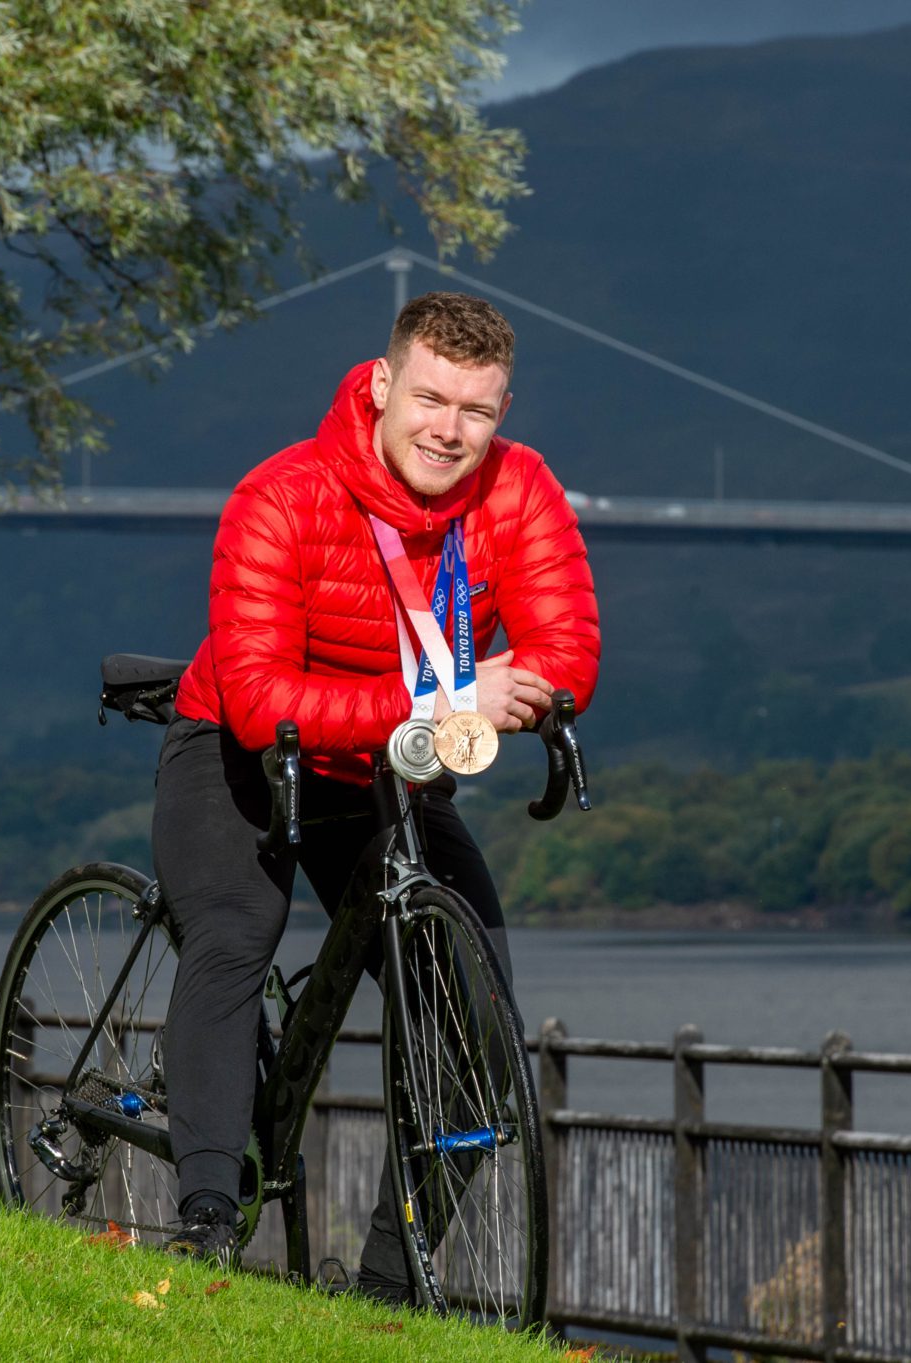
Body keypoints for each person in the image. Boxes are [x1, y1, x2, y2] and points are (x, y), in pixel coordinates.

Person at [148, 291, 601, 1295]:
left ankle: (390, 1281)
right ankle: (208, 1217)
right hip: (244, 753)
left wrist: (522, 696)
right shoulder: (282, 495)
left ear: (503, 411)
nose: (449, 430)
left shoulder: (518, 491)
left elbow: (564, 645)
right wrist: (451, 692)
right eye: (431, 398)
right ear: (382, 383)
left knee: (476, 1022)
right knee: (231, 940)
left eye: (476, 411)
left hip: (391, 763)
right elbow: (262, 702)